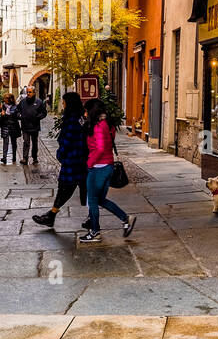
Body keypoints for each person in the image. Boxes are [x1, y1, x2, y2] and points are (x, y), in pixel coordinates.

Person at [79, 97, 136, 243]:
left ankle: (95, 231)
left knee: (92, 200)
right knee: (100, 200)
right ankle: (126, 219)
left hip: (98, 167)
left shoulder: (99, 126)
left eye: (87, 111)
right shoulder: (108, 124)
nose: (85, 114)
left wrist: (89, 163)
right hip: (108, 165)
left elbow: (100, 148)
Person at [32, 91, 88, 227]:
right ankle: (52, 214)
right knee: (75, 189)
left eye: (64, 102)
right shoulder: (80, 117)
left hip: (72, 160)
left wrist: (61, 154)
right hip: (79, 159)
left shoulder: (72, 119)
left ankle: (51, 215)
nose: (62, 105)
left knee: (67, 188)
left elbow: (68, 140)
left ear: (69, 103)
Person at [17, 85, 47, 164]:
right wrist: (20, 116)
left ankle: (34, 157)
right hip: (25, 126)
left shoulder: (39, 102)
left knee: (34, 143)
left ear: (34, 93)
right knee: (26, 142)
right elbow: (17, 110)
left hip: (34, 126)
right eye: (27, 92)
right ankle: (25, 158)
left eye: (30, 92)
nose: (28, 94)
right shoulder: (23, 102)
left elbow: (44, 113)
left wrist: (37, 117)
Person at [0, 94, 21, 164]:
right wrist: (1, 114)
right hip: (5, 126)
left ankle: (14, 157)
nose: (4, 100)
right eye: (4, 98)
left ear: (10, 99)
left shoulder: (15, 107)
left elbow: (17, 116)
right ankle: (4, 158)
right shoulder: (3, 106)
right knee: (5, 142)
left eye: (6, 99)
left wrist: (9, 114)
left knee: (14, 143)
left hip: (13, 126)